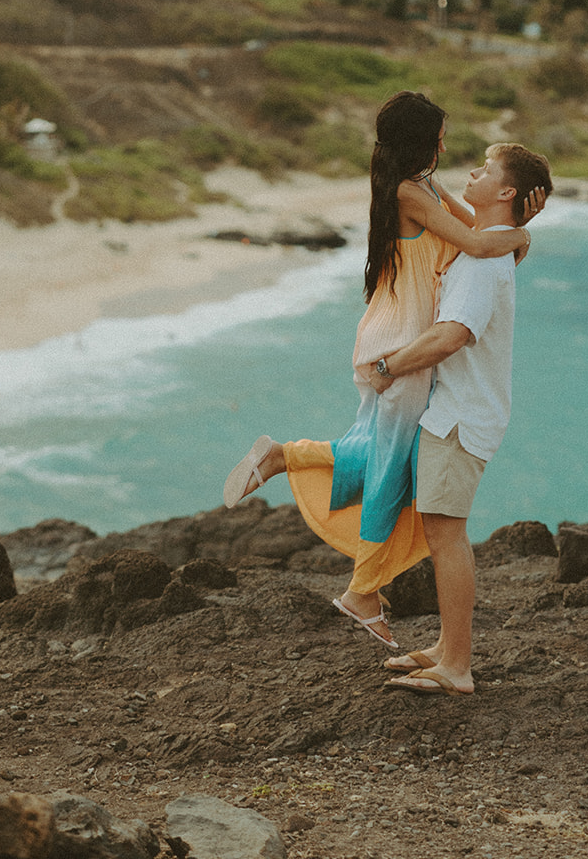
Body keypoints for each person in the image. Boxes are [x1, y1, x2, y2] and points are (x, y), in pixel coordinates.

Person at [222, 92, 539, 650]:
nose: (446, 146)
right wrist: (523, 233)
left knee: (381, 450)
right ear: (422, 142)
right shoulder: (408, 192)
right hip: (401, 342)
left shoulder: (424, 186)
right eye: (440, 137)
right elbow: (475, 242)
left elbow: (480, 240)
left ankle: (281, 456)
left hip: (396, 333)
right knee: (392, 461)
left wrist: (509, 235)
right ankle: (362, 591)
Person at [365, 141, 553, 694]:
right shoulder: (493, 246)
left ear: (507, 192)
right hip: (464, 412)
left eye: (485, 170)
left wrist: (387, 365)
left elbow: (453, 335)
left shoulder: (480, 258)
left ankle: (458, 667)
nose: (471, 172)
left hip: (459, 417)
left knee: (447, 536)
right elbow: (461, 215)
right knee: (440, 531)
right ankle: (448, 648)